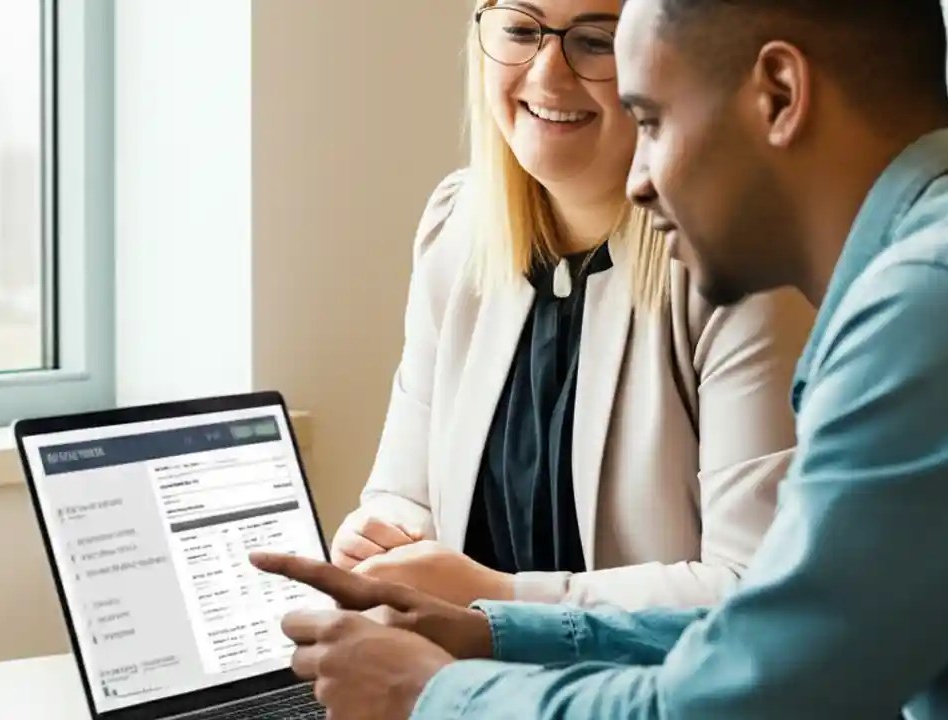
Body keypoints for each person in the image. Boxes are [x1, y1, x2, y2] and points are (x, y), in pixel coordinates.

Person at [253, 0, 948, 717]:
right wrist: (493, 629)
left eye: (652, 118)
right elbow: (781, 626)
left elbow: (757, 697)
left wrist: (438, 696)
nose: (636, 177)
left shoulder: (947, 307)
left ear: (780, 96)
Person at [330, 0, 814, 612]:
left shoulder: (744, 266)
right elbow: (404, 494)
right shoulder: (455, 227)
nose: (546, 75)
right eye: (519, 29)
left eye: (595, 41)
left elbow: (755, 587)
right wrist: (381, 537)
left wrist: (499, 600)